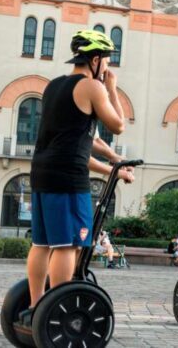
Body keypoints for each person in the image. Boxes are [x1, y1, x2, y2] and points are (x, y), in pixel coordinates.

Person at [21, 30, 134, 327]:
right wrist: (111, 87)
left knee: (42, 244)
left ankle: (37, 307)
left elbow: (85, 138)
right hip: (68, 178)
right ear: (95, 60)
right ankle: (58, 309)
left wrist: (115, 161)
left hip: (42, 172)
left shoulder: (54, 86)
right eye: (106, 62)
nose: (108, 68)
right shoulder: (91, 88)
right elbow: (118, 125)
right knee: (68, 244)